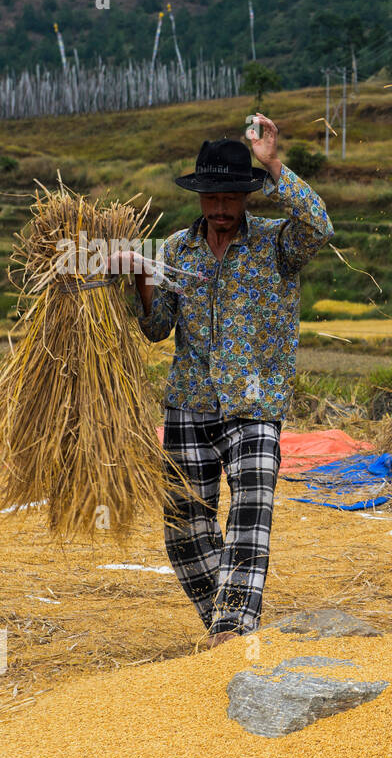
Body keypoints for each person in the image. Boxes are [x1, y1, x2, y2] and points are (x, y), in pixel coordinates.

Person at [126, 114, 333, 647]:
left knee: (249, 515)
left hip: (254, 404)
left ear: (248, 196)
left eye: (231, 198)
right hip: (188, 404)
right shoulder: (177, 250)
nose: (220, 209)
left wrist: (273, 163)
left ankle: (231, 632)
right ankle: (227, 619)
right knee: (184, 532)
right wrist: (143, 283)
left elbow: (319, 226)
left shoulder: (277, 245)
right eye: (211, 197)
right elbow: (157, 328)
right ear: (199, 196)